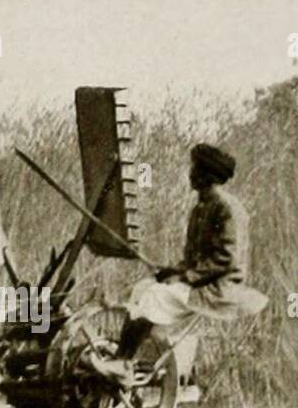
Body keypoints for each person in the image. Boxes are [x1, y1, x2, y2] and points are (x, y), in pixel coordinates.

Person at [93, 143, 268, 383]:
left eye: (194, 169)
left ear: (206, 175)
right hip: (201, 282)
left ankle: (123, 363)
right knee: (142, 288)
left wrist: (186, 277)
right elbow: (193, 260)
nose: (190, 174)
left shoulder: (227, 208)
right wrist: (171, 271)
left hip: (218, 288)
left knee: (152, 296)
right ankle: (123, 359)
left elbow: (227, 259)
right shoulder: (200, 209)